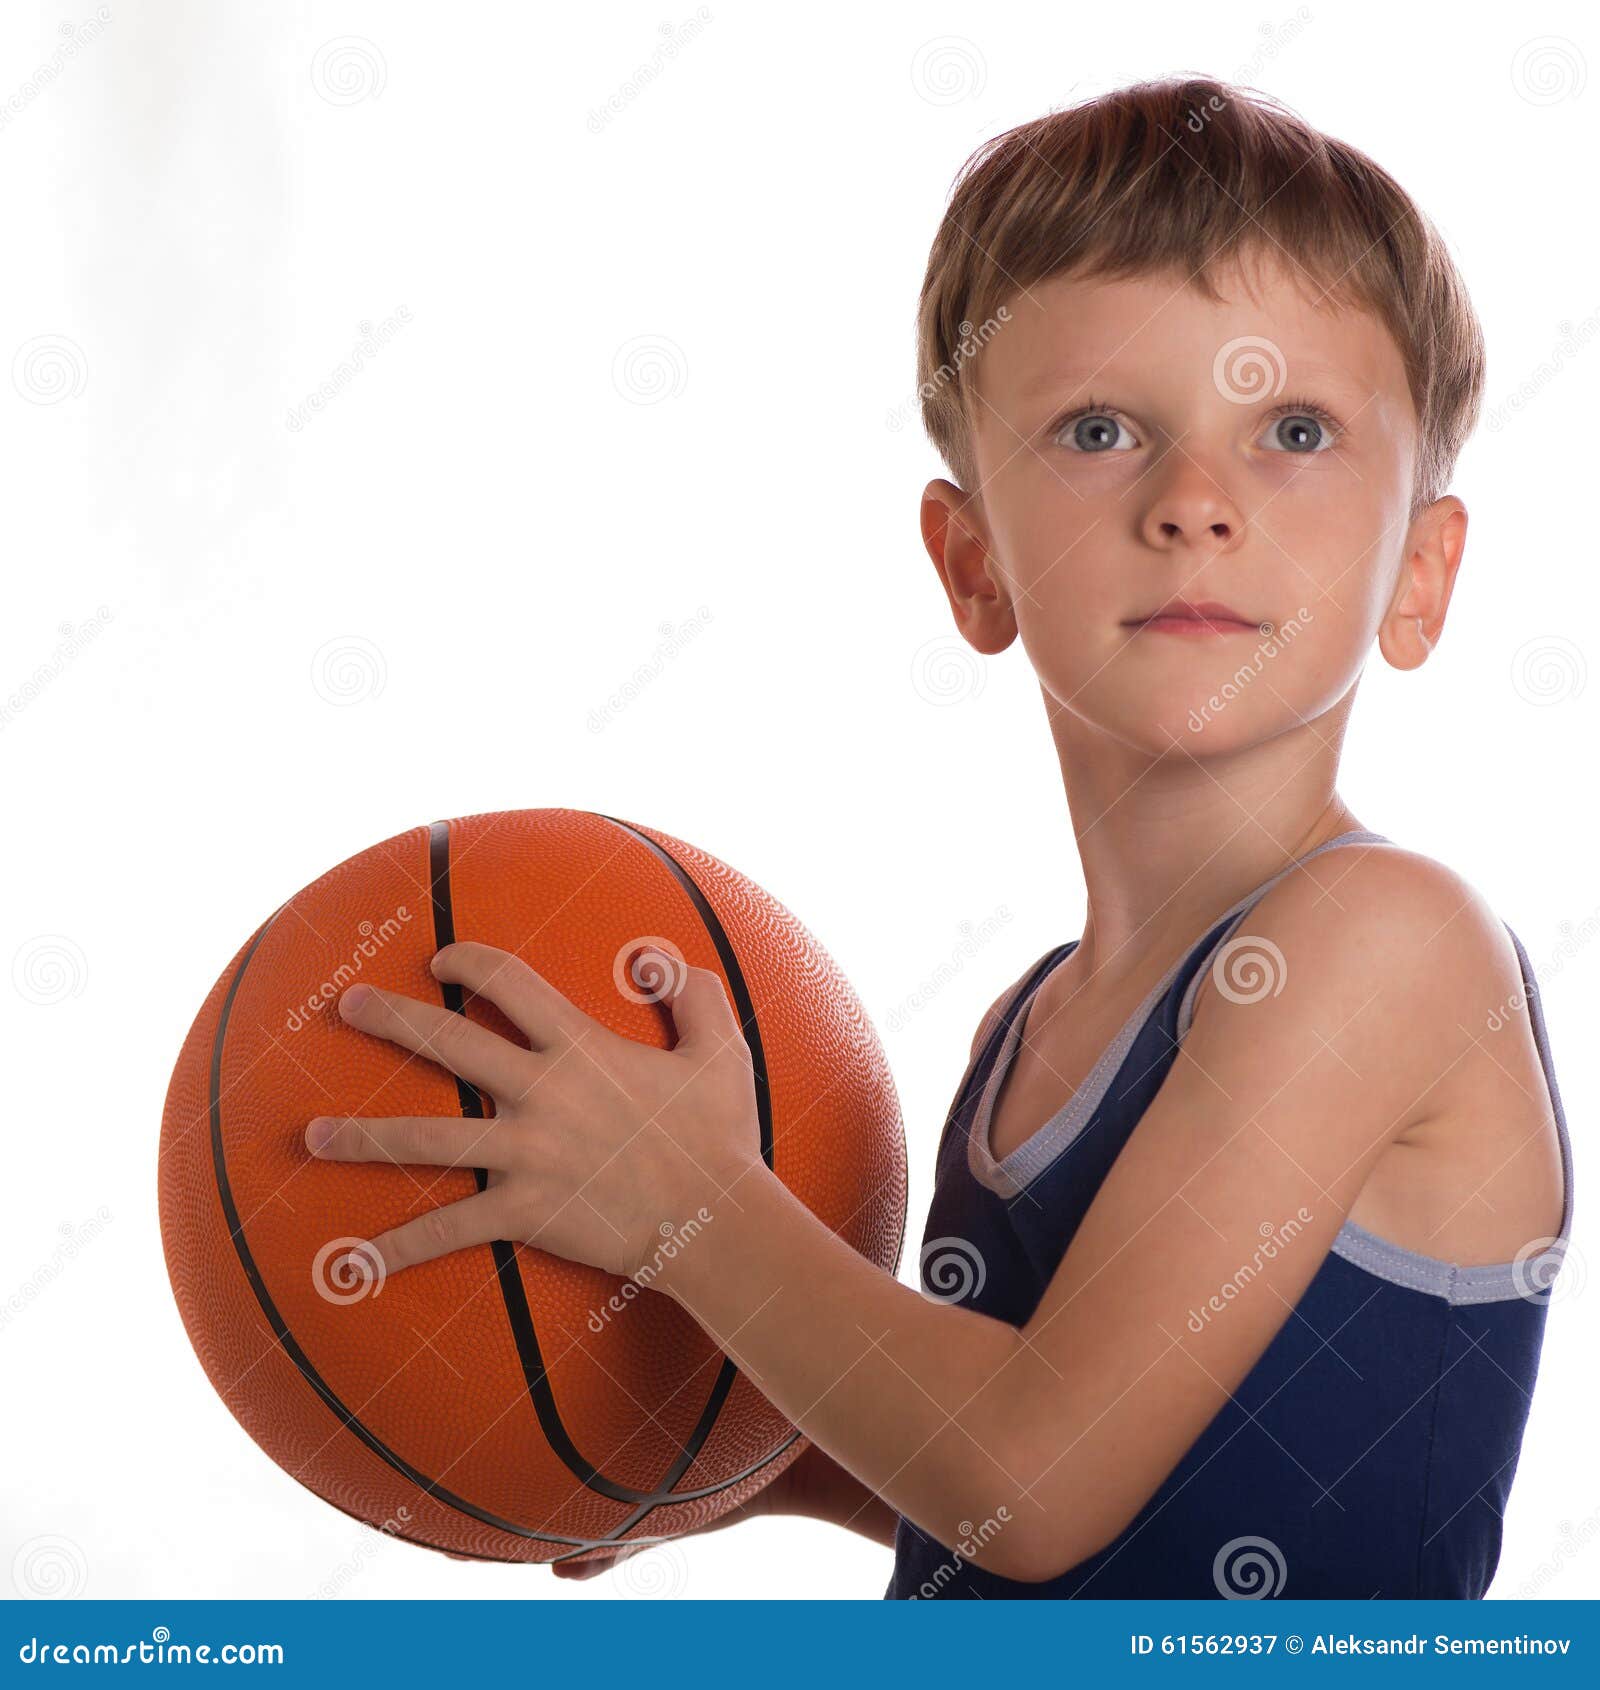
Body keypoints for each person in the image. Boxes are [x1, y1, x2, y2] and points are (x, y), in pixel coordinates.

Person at [310, 74, 1573, 1598]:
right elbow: (1036, 1502)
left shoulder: (1387, 943)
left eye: (1292, 429)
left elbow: (1031, 1481)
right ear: (971, 563)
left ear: (1423, 573)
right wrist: (756, 1446)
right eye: (1101, 427)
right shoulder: (1023, 1025)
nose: (1193, 501)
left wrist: (692, 1203)